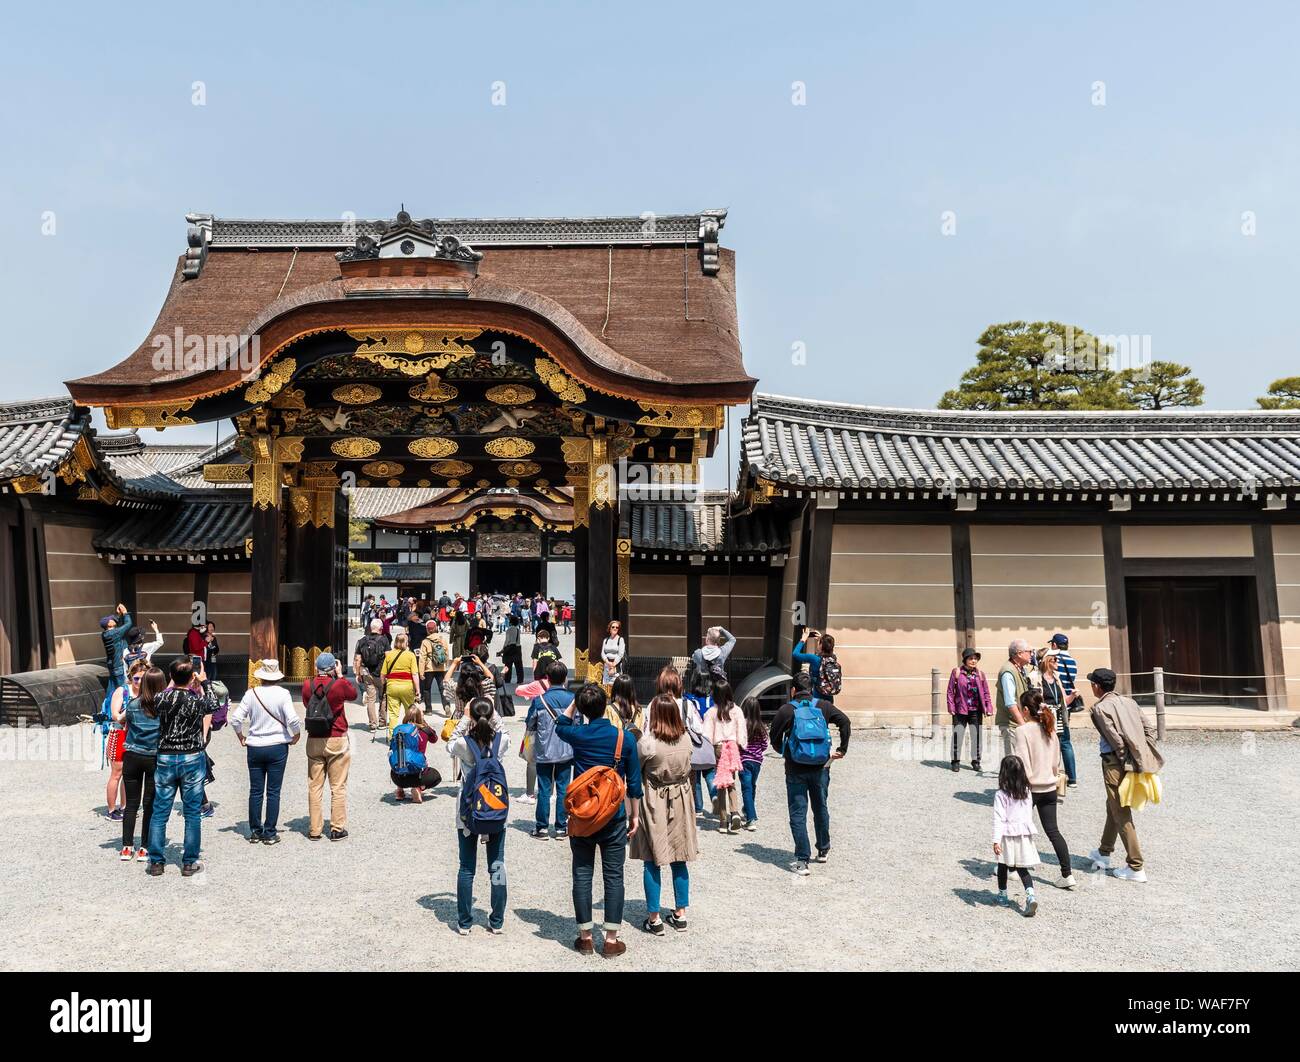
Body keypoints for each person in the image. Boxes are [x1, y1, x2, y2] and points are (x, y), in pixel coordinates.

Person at [553, 683, 642, 958]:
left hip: (583, 815)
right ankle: (612, 940)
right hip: (613, 814)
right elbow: (635, 783)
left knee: (582, 872)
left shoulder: (578, 734)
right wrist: (634, 815)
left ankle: (586, 937)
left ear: (582, 709)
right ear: (606, 706)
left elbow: (560, 725)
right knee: (613, 875)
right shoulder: (624, 738)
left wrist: (573, 706)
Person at [767, 671, 851, 876]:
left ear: (793, 690)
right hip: (821, 767)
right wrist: (841, 749)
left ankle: (802, 858)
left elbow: (774, 738)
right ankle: (823, 849)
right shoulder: (823, 706)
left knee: (798, 812)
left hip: (795, 768)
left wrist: (786, 752)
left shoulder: (786, 710)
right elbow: (845, 722)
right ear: (811, 689)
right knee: (820, 807)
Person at [1085, 667, 1164, 883]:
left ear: (1097, 686)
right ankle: (1104, 851)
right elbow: (1149, 730)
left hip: (1115, 762)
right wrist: (1142, 752)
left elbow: (1115, 741)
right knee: (1113, 806)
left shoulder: (1101, 708)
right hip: (1132, 759)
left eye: (1092, 682)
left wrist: (1126, 760)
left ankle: (1135, 865)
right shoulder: (1130, 702)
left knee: (1121, 811)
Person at [630, 693, 698, 935]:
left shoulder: (647, 744)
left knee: (652, 858)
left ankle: (654, 917)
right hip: (681, 797)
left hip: (655, 799)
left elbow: (635, 772)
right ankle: (680, 914)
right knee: (679, 857)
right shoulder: (686, 740)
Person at [146, 656, 219, 877]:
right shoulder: (196, 700)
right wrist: (204, 681)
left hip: (166, 756)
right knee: (192, 813)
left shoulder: (161, 698)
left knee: (160, 812)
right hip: (191, 756)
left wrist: (173, 681)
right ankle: (189, 862)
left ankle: (156, 861)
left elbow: (153, 700)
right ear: (191, 677)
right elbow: (214, 704)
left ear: (171, 676)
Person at [446, 697, 508, 935]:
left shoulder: (463, 743)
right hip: (494, 808)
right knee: (497, 865)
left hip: (468, 809)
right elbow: (501, 728)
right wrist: (491, 712)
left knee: (466, 867)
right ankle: (497, 920)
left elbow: (449, 743)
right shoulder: (501, 741)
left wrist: (465, 717)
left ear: (471, 715)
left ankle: (464, 922)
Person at [229, 660, 301, 844]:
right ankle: (269, 831)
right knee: (273, 791)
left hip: (255, 745)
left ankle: (255, 830)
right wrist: (296, 735)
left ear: (261, 677)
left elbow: (236, 719)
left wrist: (241, 736)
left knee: (255, 790)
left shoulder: (251, 694)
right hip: (277, 745)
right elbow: (293, 719)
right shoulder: (283, 694)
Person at [1014, 690, 1076, 889]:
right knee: (1053, 831)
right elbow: (1056, 762)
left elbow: (1023, 761)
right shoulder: (1049, 729)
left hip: (1030, 787)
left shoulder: (1022, 731)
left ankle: (1012, 868)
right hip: (1049, 786)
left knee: (1017, 828)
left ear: (1025, 710)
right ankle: (1067, 873)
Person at [300, 653, 356, 841]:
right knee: (338, 786)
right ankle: (336, 828)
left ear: (316, 667)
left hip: (314, 737)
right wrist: (340, 675)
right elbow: (353, 694)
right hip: (336, 736)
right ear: (333, 667)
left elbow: (307, 703)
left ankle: (315, 829)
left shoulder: (308, 685)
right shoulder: (339, 684)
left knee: (314, 786)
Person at [116, 664, 166, 861]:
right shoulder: (163, 707)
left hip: (132, 756)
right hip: (154, 758)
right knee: (149, 804)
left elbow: (121, 721)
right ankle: (145, 846)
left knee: (131, 804)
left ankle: (127, 847)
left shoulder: (134, 705)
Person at [525, 660, 575, 839]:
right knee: (563, 788)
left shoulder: (539, 701)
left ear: (547, 679)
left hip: (544, 750)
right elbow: (577, 723)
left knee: (544, 789)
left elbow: (530, 723)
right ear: (565, 678)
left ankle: (542, 828)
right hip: (566, 750)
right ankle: (561, 828)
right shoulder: (573, 699)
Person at [992, 754, 1039, 915]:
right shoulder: (1026, 791)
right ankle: (1031, 895)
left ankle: (1003, 896)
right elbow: (1028, 814)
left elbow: (999, 819)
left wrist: (996, 840)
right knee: (1022, 868)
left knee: (1003, 865)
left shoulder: (1001, 794)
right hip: (1024, 833)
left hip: (1007, 834)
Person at [703, 679, 747, 833]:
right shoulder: (737, 711)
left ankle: (723, 821)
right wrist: (741, 745)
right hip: (733, 747)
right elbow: (741, 732)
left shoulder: (711, 712)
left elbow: (706, 734)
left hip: (719, 747)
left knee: (721, 783)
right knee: (731, 781)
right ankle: (734, 812)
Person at [104, 660, 143, 820]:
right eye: (137, 679)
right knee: (117, 773)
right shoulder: (122, 691)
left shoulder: (145, 692)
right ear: (130, 677)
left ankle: (125, 806)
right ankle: (112, 809)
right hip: (120, 734)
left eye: (143, 679)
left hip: (136, 735)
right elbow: (115, 715)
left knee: (130, 773)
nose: (139, 682)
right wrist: (131, 710)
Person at [1038, 648, 1082, 788]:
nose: (1058, 662)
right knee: (1048, 746)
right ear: (1047, 662)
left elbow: (1064, 701)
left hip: (1060, 716)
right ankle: (1051, 778)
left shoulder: (1057, 677)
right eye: (1055, 660)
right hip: (1046, 716)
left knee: (1065, 744)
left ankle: (1072, 778)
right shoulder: (1036, 677)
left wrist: (1073, 696)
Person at [946, 647, 992, 772]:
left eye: (975, 659)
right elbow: (950, 691)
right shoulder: (956, 672)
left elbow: (986, 692)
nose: (973, 661)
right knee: (958, 735)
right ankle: (955, 761)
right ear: (965, 660)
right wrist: (951, 707)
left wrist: (988, 707)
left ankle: (976, 761)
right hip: (960, 709)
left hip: (976, 710)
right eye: (971, 658)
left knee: (976, 736)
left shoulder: (980, 674)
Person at [682, 664, 717, 814]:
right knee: (709, 771)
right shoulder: (713, 700)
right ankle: (715, 796)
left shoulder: (689, 699)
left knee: (695, 774)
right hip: (710, 739)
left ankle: (698, 806)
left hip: (694, 739)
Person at [390, 703, 442, 802]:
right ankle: (419, 788)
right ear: (420, 717)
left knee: (400, 758)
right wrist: (426, 725)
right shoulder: (425, 730)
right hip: (418, 776)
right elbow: (434, 739)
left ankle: (399, 790)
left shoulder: (399, 730)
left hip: (398, 777)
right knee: (436, 776)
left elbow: (392, 750)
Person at [995, 639, 1034, 757]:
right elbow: (1010, 702)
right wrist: (1023, 724)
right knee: (1014, 759)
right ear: (1019, 653)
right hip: (1011, 723)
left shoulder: (1022, 669)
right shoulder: (1008, 672)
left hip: (1019, 721)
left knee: (1024, 758)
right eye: (1030, 651)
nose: (1032, 654)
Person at [353, 618, 391, 733]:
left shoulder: (362, 641)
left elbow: (358, 659)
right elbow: (388, 657)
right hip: (381, 673)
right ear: (380, 629)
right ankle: (382, 722)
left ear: (370, 628)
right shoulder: (384, 640)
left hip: (367, 672)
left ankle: (372, 724)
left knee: (371, 699)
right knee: (383, 697)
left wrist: (358, 673)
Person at [380, 632, 420, 733]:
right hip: (407, 687)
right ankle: (409, 734)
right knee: (409, 712)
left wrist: (384, 684)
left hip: (392, 686)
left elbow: (383, 674)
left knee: (393, 715)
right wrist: (418, 690)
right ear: (406, 642)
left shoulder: (389, 655)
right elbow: (415, 674)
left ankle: (392, 737)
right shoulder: (411, 655)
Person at [738, 696, 767, 831]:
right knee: (752, 786)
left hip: (744, 760)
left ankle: (751, 819)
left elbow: (739, 743)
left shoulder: (742, 724)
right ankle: (747, 809)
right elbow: (764, 745)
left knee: (746, 789)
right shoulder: (761, 726)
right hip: (757, 762)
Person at [99, 603, 134, 700]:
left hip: (113, 666)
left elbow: (117, 625)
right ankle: (123, 708)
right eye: (111, 619)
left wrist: (119, 615)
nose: (113, 619)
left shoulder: (106, 634)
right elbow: (128, 624)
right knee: (123, 690)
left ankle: (106, 710)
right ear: (108, 624)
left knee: (111, 691)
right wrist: (125, 613)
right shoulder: (114, 633)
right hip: (118, 666)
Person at [418, 623, 451, 711]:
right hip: (440, 667)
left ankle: (428, 709)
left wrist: (421, 672)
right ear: (436, 628)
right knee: (442, 688)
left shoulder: (425, 641)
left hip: (429, 668)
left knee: (427, 689)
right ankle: (446, 705)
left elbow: (422, 658)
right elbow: (447, 653)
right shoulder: (442, 639)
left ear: (427, 630)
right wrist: (446, 665)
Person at [497, 613, 524, 684]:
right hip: (517, 648)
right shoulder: (518, 630)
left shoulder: (509, 630)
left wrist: (502, 650)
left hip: (510, 648)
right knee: (518, 665)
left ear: (510, 622)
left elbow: (507, 641)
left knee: (508, 665)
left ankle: (508, 679)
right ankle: (520, 680)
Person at [600, 620, 626, 685]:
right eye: (613, 627)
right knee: (606, 684)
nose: (615, 628)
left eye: (617, 627)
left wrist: (613, 665)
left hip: (616, 665)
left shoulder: (620, 639)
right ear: (610, 628)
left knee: (615, 684)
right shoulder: (606, 640)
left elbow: (620, 654)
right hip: (607, 665)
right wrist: (608, 662)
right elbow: (602, 653)